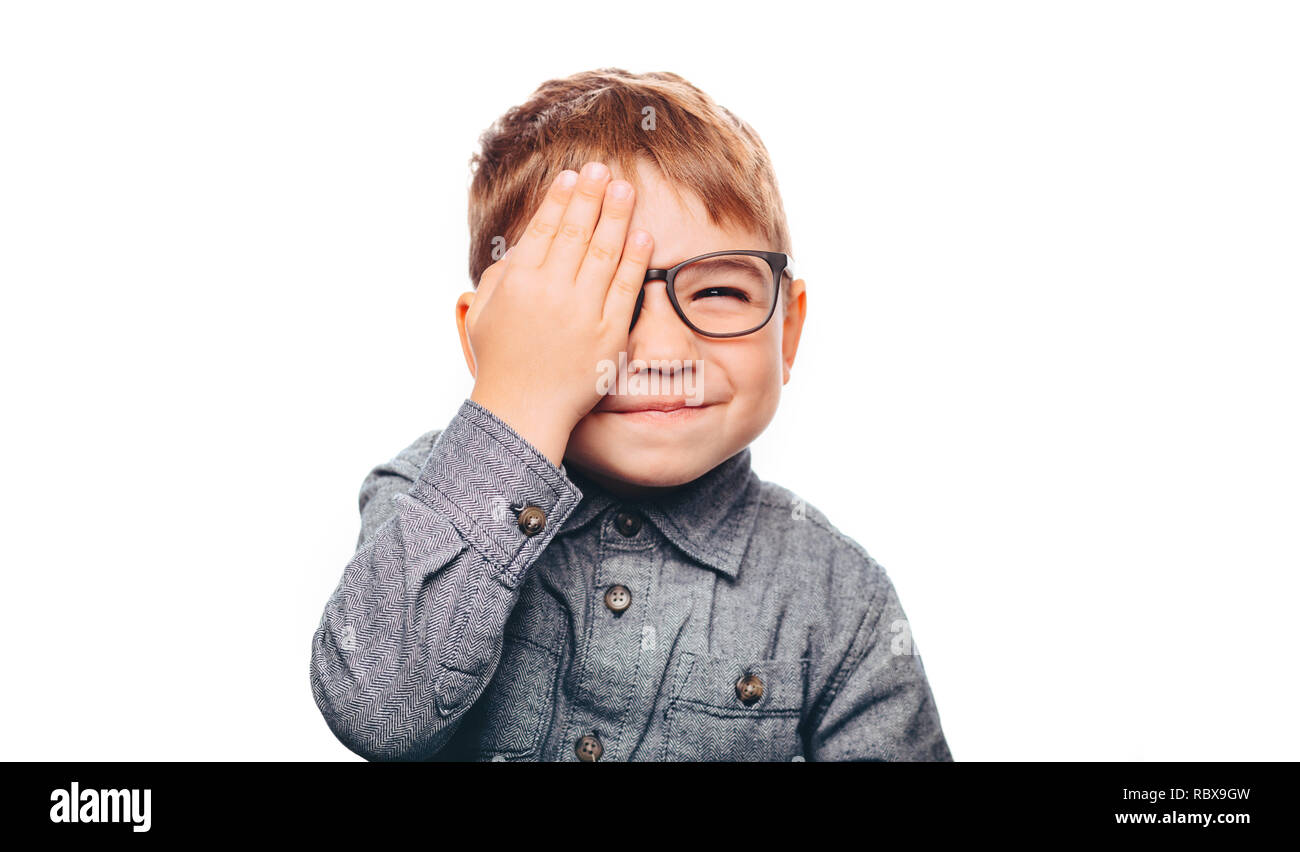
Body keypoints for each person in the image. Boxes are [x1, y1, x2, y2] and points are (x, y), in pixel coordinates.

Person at [309, 68, 953, 761]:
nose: (665, 348)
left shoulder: (839, 598)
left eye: (720, 293)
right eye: (597, 296)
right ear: (486, 337)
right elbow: (376, 712)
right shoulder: (426, 496)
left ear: (788, 332)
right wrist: (518, 400)